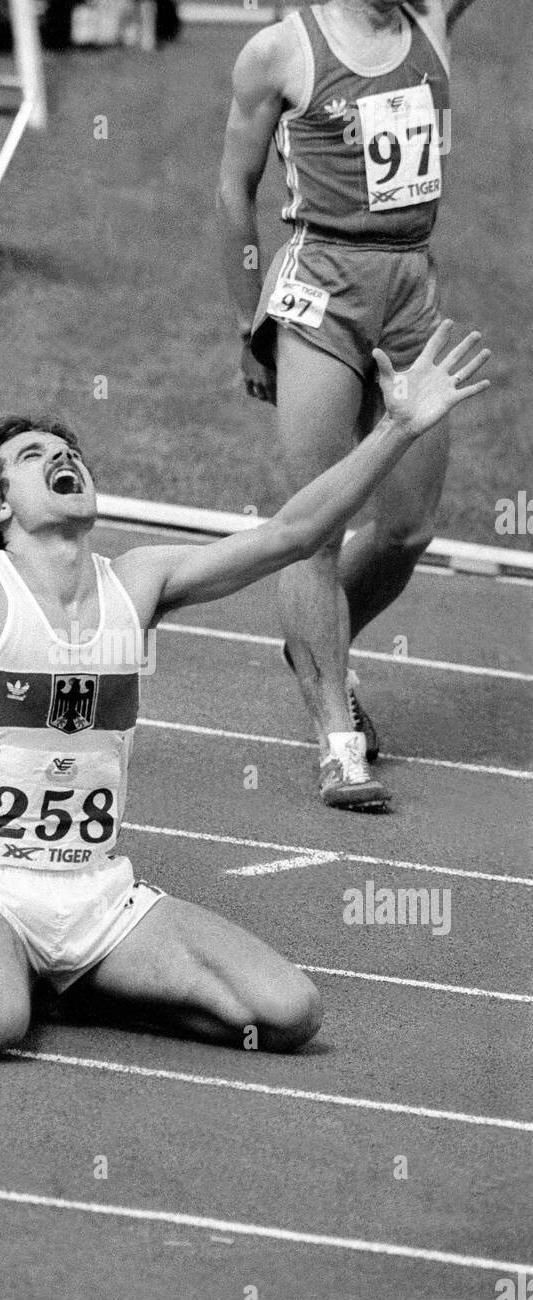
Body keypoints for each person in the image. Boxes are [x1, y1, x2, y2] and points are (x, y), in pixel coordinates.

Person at [0, 288, 488, 1058]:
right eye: (33, 458)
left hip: (97, 895)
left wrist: (398, 429)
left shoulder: (136, 583)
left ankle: (79, 981)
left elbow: (294, 531)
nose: (61, 459)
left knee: (290, 1012)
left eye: (67, 452)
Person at [217, 0, 480, 810]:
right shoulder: (280, 51)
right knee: (314, 528)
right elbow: (235, 188)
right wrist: (244, 323)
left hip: (408, 287)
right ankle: (337, 740)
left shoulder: (430, 19)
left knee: (406, 528)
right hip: (319, 292)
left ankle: (316, 646)